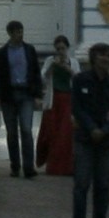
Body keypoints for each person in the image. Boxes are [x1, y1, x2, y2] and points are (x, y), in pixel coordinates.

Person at [69, 44, 109, 218]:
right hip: (85, 137)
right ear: (93, 58)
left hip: (106, 139)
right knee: (81, 185)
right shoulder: (80, 80)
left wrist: (105, 131)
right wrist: (92, 128)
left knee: (103, 185)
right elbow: (77, 108)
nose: (106, 59)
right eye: (102, 55)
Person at [0, 22, 42, 179]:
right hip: (8, 96)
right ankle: (15, 166)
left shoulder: (29, 50)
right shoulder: (1, 53)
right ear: (10, 33)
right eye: (17, 32)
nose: (20, 34)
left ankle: (28, 167)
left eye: (21, 31)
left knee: (26, 129)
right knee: (11, 133)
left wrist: (38, 95)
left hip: (26, 94)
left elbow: (36, 73)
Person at [38, 37, 77, 179]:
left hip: (68, 99)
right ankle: (53, 166)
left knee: (65, 134)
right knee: (53, 133)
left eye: (63, 48)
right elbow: (43, 78)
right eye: (58, 49)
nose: (60, 51)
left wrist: (67, 68)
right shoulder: (50, 61)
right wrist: (52, 67)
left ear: (67, 48)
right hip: (54, 100)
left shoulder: (73, 62)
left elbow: (78, 78)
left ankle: (66, 166)